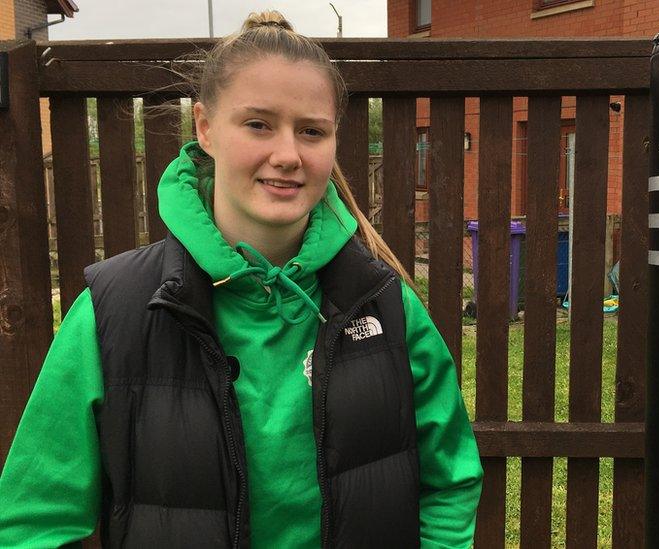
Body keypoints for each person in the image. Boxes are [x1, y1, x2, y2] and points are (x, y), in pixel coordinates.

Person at [0, 10, 482, 548]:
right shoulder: (112, 314)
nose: (287, 155)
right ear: (205, 128)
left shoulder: (385, 304)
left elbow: (451, 480)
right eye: (258, 124)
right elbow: (35, 521)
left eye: (311, 131)